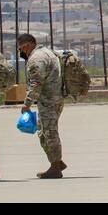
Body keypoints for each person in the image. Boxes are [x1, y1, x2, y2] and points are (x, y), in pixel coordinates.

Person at [18, 33, 66, 179]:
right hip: (54, 99)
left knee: (49, 132)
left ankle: (55, 167)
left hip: (48, 101)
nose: (21, 52)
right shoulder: (48, 52)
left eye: (21, 48)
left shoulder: (36, 58)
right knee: (43, 131)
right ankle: (56, 161)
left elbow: (36, 83)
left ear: (27, 45)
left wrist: (27, 104)